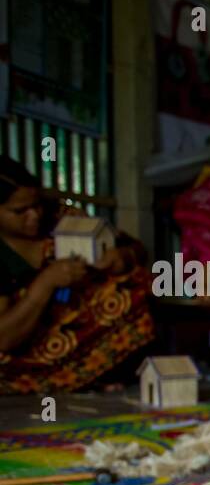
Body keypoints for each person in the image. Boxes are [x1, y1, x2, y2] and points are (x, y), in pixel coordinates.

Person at [0, 158, 154, 394]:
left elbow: (136, 248)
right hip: (24, 357)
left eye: (37, 205)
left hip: (83, 331)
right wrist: (45, 284)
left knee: (134, 280)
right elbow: (4, 338)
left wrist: (123, 256)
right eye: (20, 211)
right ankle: (74, 379)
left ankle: (110, 372)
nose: (34, 215)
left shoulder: (61, 216)